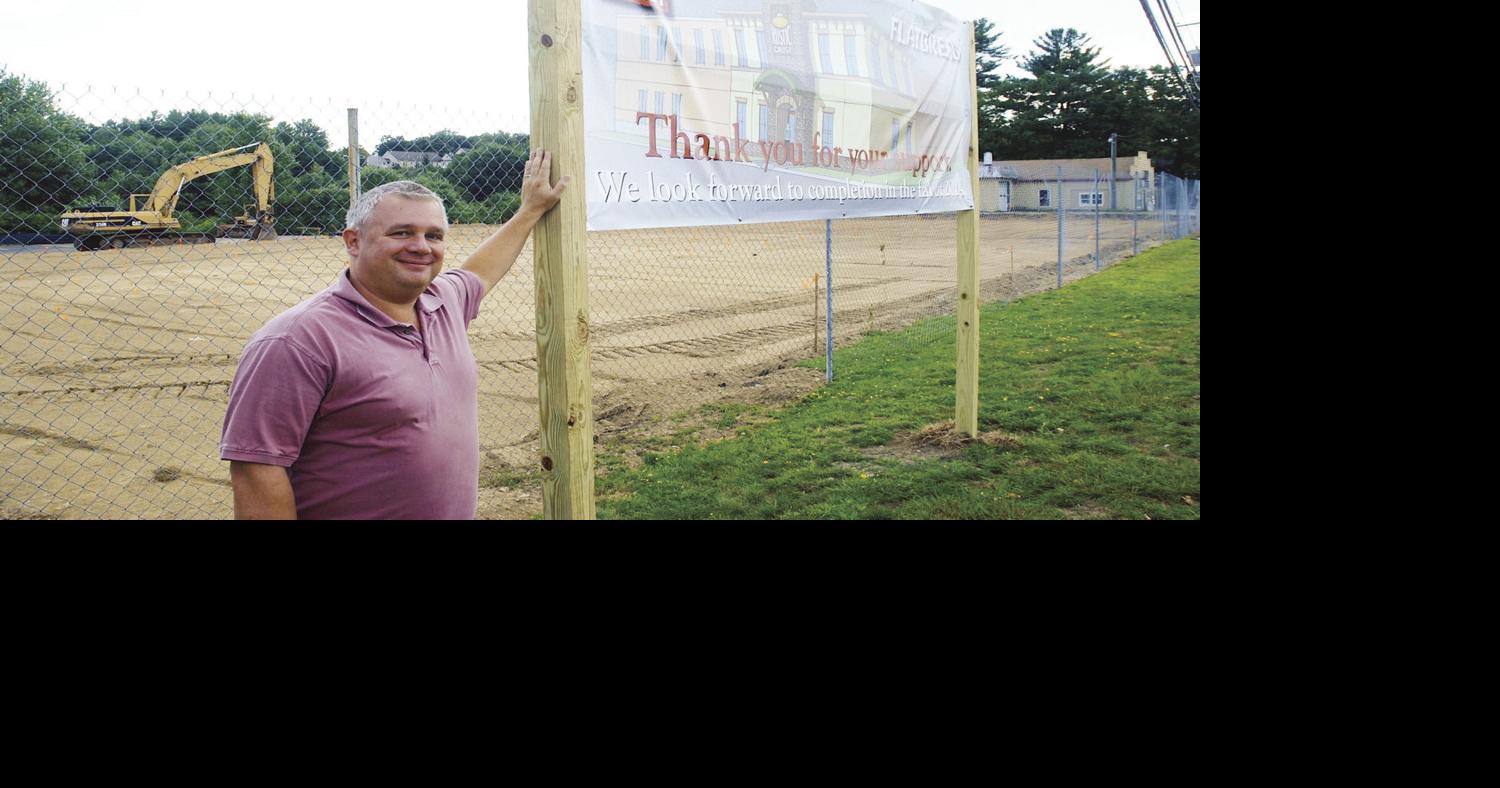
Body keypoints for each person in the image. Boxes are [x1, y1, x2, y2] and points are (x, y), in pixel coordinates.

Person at [220, 150, 569, 519]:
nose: (421, 246)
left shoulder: (443, 303)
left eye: (433, 235)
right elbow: (257, 468)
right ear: (353, 242)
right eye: (402, 233)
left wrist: (530, 210)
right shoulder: (298, 340)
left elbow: (481, 271)